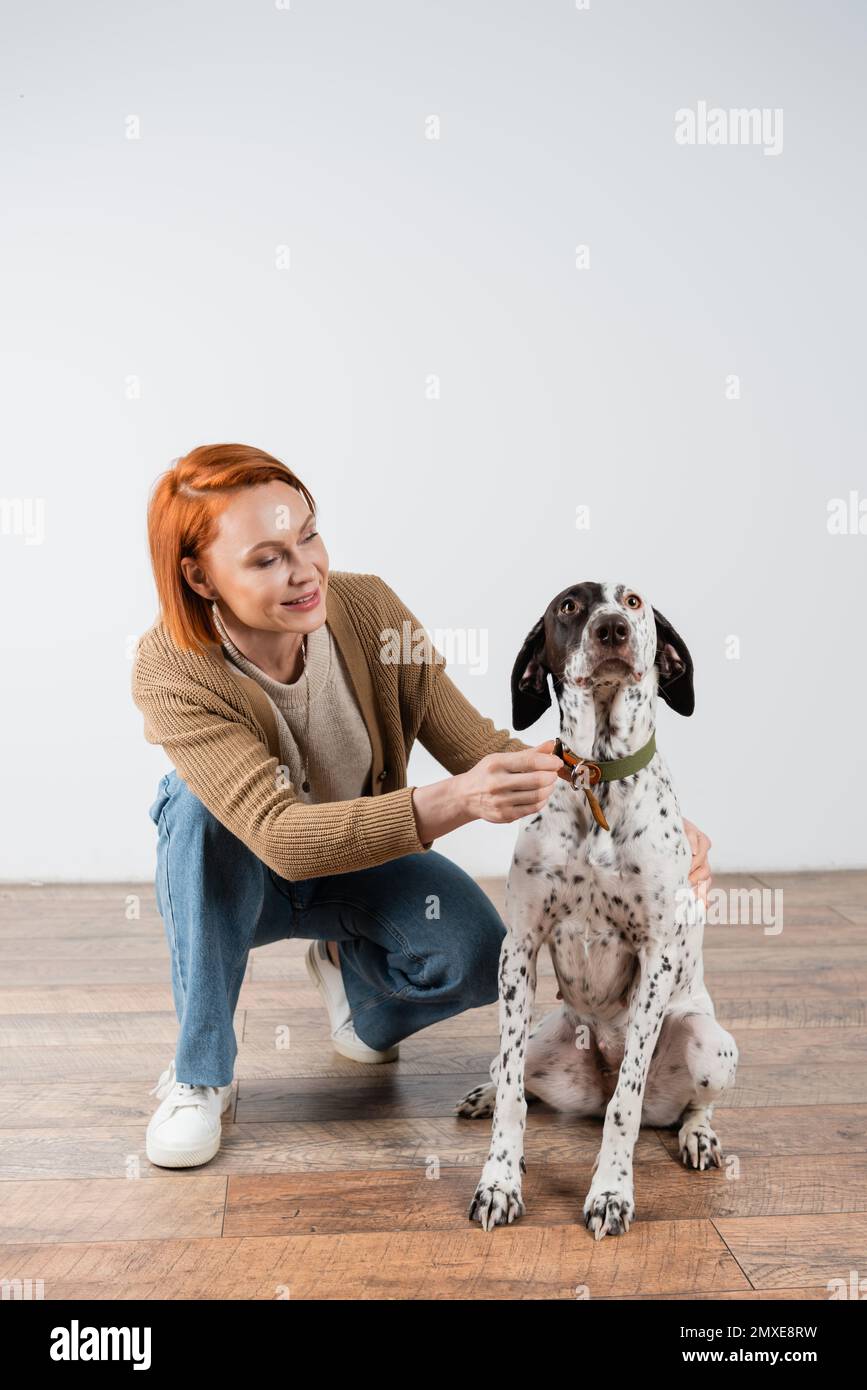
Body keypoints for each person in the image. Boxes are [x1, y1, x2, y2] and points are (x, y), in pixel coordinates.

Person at [132, 443, 713, 1168]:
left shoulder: (369, 608)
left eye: (309, 534)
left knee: (473, 950)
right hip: (236, 876)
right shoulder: (170, 667)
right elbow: (281, 837)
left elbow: (478, 746)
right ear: (199, 574)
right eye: (266, 557)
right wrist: (454, 801)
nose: (305, 568)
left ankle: (358, 994)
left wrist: (641, 815)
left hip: (360, 862)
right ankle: (200, 1075)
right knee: (194, 808)